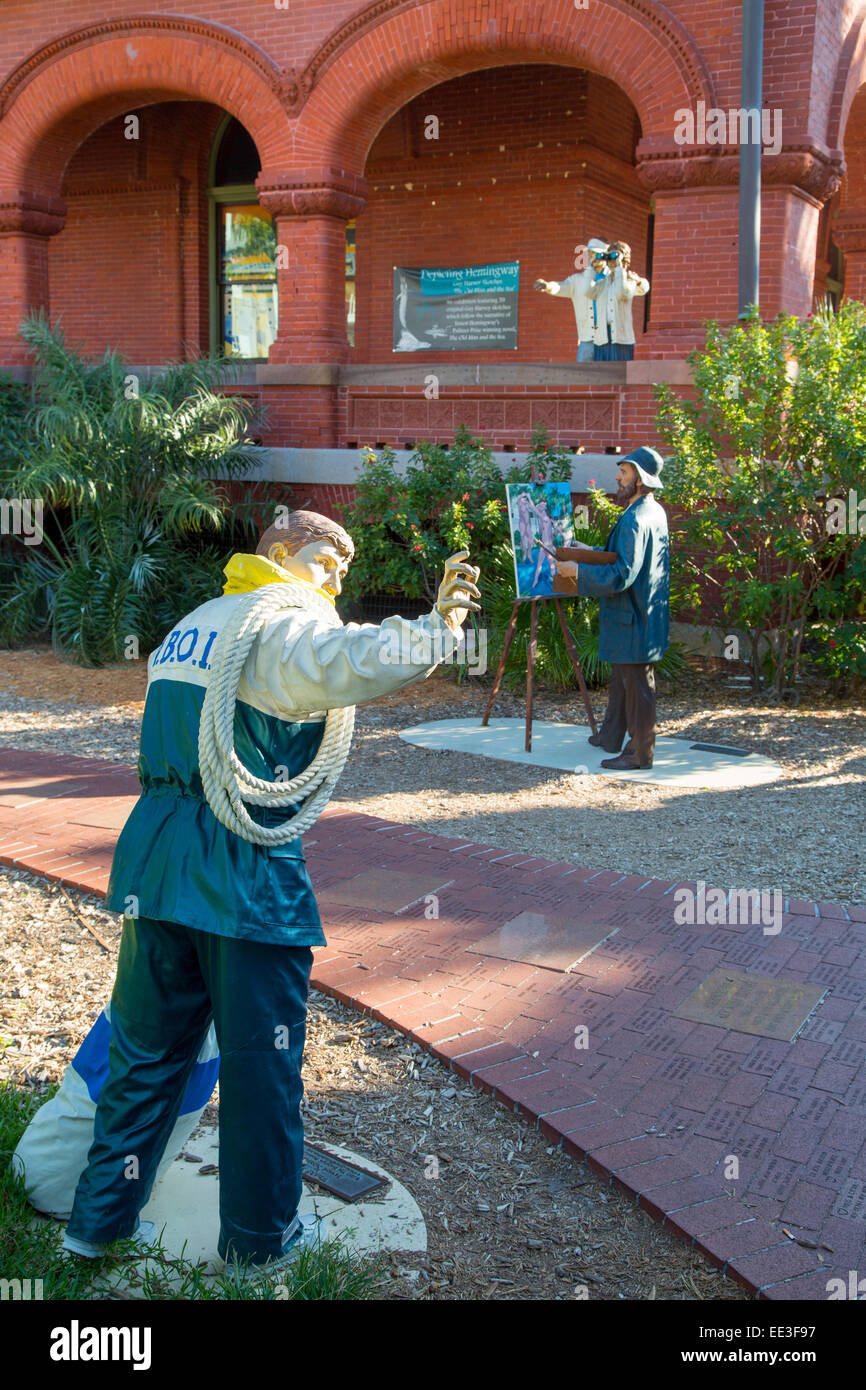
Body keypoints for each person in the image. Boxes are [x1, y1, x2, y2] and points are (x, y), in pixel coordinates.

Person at [54, 510, 480, 1271]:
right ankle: (260, 1245)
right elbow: (347, 659)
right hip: (244, 874)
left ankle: (94, 1224)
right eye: (325, 564)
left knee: (145, 1055)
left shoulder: (193, 625)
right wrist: (438, 630)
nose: (336, 582)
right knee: (263, 1067)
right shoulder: (276, 627)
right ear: (280, 554)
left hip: (155, 863)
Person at [556, 448, 669, 769]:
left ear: (641, 479)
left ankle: (639, 754)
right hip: (642, 614)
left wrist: (576, 571)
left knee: (637, 687)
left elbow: (621, 574)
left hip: (633, 616)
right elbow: (624, 556)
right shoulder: (652, 511)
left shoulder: (636, 519)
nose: (617, 477)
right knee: (623, 678)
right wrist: (589, 552)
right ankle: (611, 735)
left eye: (624, 472)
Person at [534, 237, 610, 360]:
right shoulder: (578, 280)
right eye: (589, 253)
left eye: (596, 254)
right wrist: (547, 286)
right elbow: (561, 287)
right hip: (587, 341)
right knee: (583, 377)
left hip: (608, 341)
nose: (592, 257)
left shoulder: (612, 279)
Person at [585, 241, 650, 362]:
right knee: (602, 377)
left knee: (620, 375)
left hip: (621, 338)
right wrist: (591, 268)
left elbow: (622, 293)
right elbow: (588, 292)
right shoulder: (602, 283)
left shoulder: (629, 281)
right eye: (609, 258)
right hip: (602, 337)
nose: (611, 261)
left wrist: (620, 268)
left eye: (614, 257)